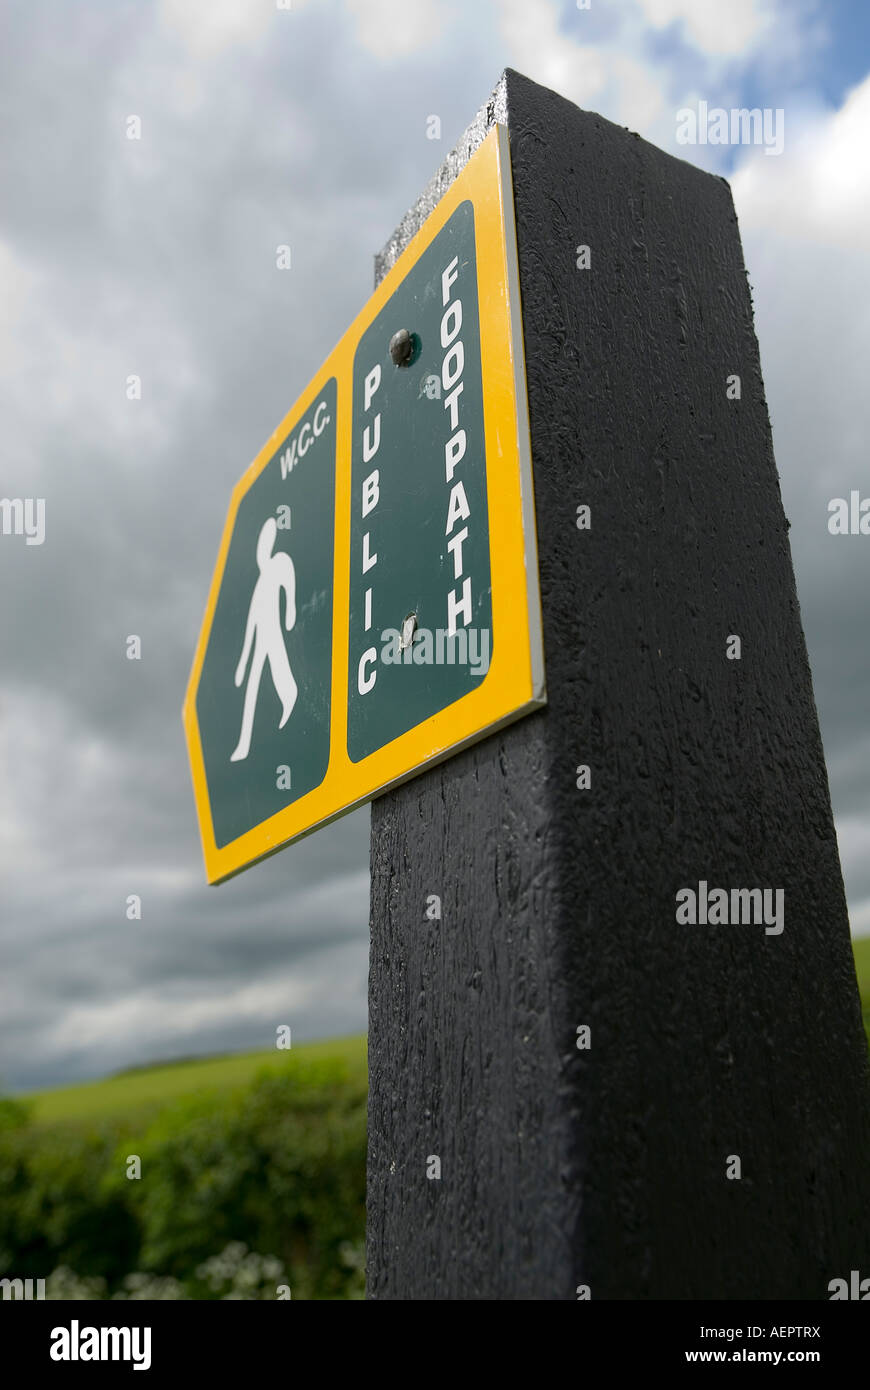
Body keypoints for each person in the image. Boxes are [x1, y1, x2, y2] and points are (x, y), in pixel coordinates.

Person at [230, 517, 297, 762]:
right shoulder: (260, 582)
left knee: (280, 671)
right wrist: (242, 663)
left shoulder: (280, 562)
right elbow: (251, 623)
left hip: (274, 632)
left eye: (265, 541)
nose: (262, 548)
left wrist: (290, 614)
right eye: (260, 543)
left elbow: (289, 588)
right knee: (253, 683)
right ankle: (243, 743)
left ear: (271, 542)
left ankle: (290, 696)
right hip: (261, 637)